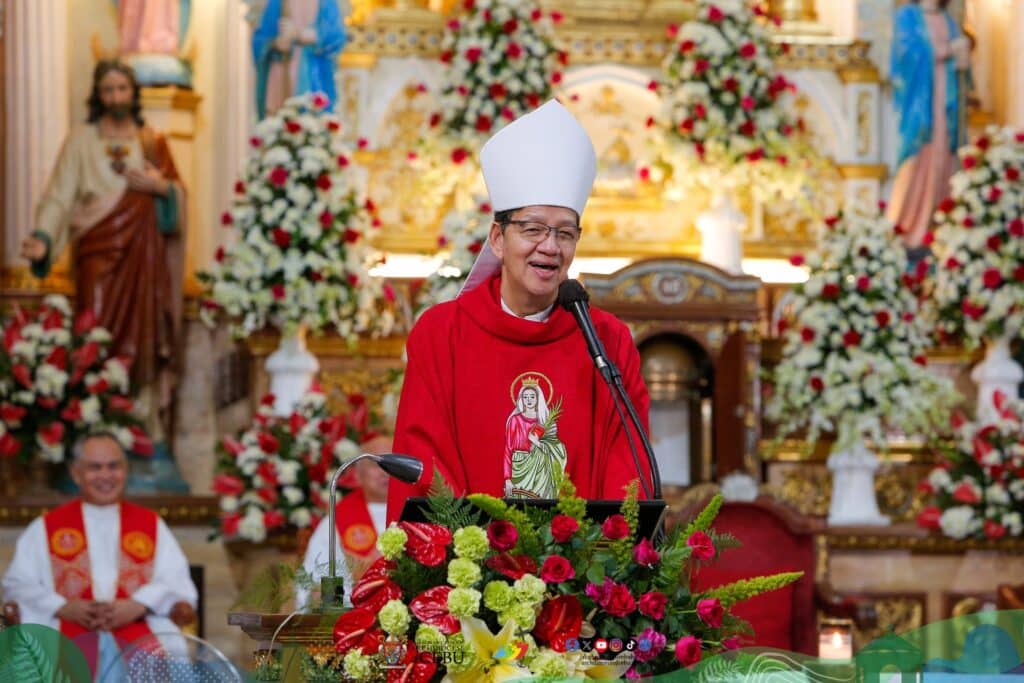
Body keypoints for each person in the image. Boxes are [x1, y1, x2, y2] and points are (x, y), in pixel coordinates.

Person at [387, 100, 653, 524]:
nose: (550, 246)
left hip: (581, 578)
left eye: (565, 233)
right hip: (470, 578)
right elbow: (424, 465)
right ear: (497, 238)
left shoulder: (607, 340)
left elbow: (628, 469)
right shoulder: (443, 334)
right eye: (532, 229)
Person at [19, 59, 185, 439]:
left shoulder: (152, 142)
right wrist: (43, 239)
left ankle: (140, 422)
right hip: (96, 251)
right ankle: (94, 417)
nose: (115, 97)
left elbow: (177, 198)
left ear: (133, 93)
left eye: (122, 89)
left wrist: (161, 189)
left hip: (142, 258)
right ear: (98, 95)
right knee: (94, 329)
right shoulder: (81, 141)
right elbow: (60, 198)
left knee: (139, 337)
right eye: (108, 90)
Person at [1, 433, 197, 676]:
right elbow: (17, 585)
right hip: (65, 631)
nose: (105, 475)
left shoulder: (151, 525)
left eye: (113, 466)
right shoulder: (46, 528)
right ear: (76, 473)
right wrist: (63, 607)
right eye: (95, 467)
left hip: (139, 629)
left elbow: (177, 582)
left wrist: (138, 605)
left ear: (126, 470)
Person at [887, 0, 970, 250]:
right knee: (917, 162)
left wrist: (963, 59)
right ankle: (908, 228)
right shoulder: (907, 16)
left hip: (946, 105)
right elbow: (905, 54)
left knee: (945, 159)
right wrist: (945, 50)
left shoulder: (948, 20)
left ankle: (938, 227)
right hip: (921, 106)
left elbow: (962, 66)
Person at [296, 435, 391, 610]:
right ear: (358, 474)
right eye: (375, 464)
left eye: (391, 463)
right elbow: (315, 585)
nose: (385, 471)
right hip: (355, 621)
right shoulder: (335, 523)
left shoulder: (421, 512)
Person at [252, 0, 347, 119]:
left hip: (313, 76)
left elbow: (336, 37)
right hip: (280, 75)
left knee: (312, 121)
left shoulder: (326, 2)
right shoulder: (276, 2)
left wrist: (300, 34)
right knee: (280, 125)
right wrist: (275, 43)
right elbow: (260, 39)